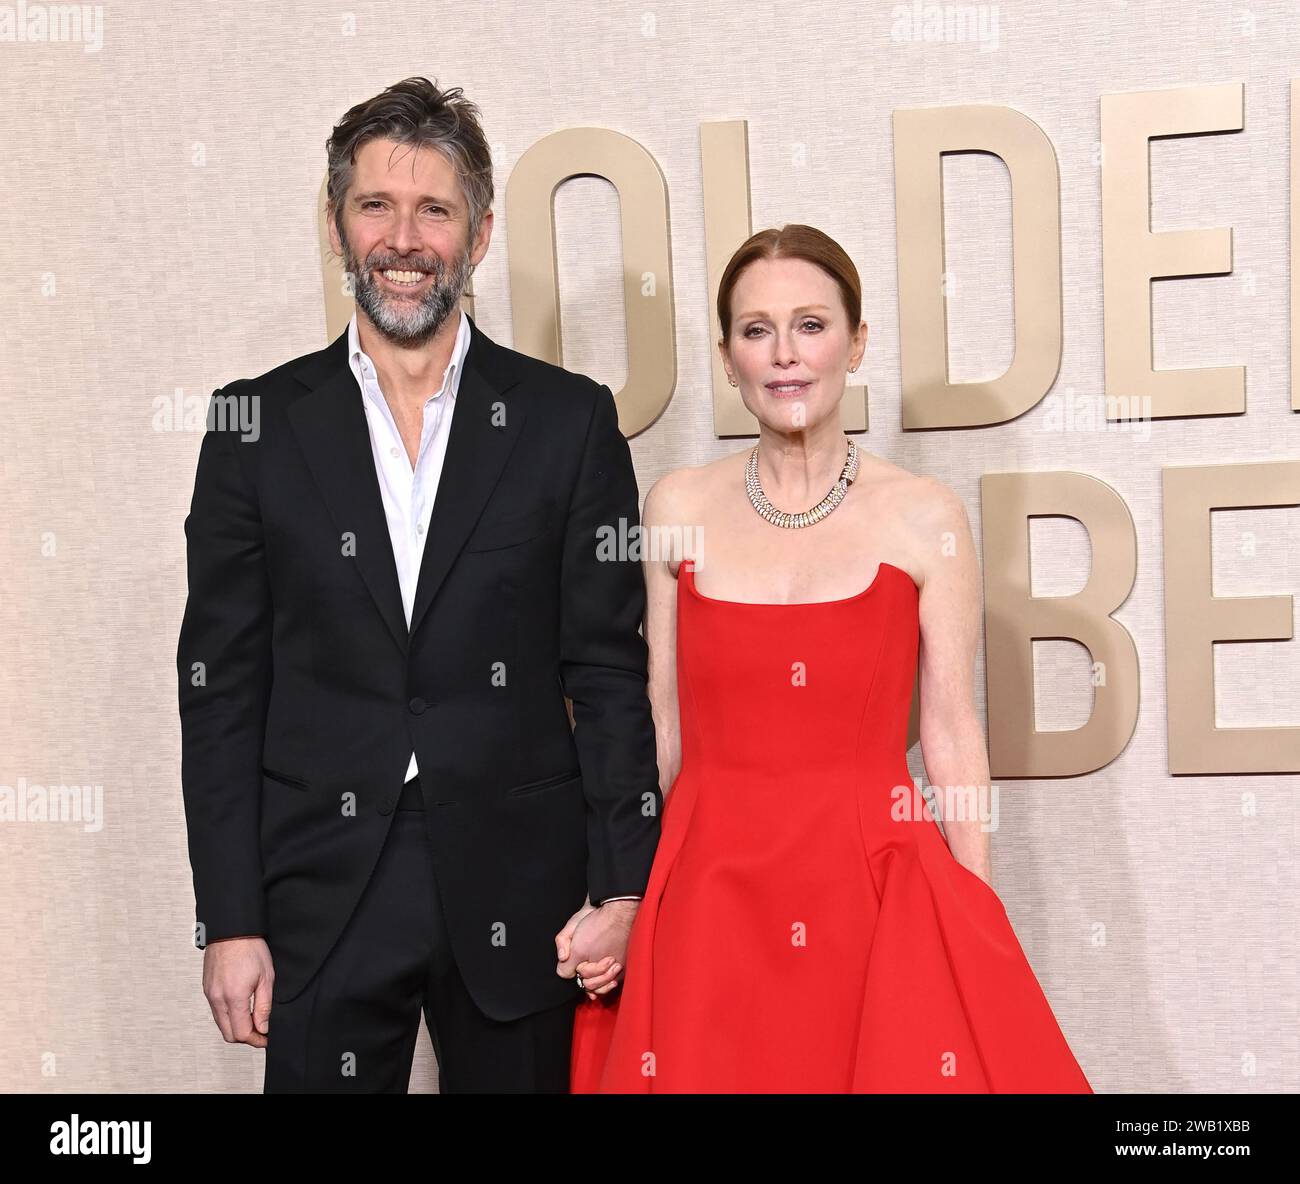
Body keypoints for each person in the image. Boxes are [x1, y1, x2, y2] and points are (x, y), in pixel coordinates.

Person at [177, 76, 658, 1093]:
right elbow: (222, 694)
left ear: (477, 235)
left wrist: (623, 883)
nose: (405, 238)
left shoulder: (565, 420)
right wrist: (233, 916)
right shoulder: (250, 424)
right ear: (336, 225)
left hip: (523, 883)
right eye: (375, 206)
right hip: (323, 889)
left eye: (434, 209)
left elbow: (608, 667)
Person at [568, 224, 1093, 1093]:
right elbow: (655, 723)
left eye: (811, 325)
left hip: (871, 881)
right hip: (709, 885)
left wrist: (975, 911)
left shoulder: (925, 515)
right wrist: (622, 887)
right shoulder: (674, 505)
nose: (785, 355)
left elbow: (953, 727)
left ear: (857, 343)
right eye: (756, 330)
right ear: (729, 358)